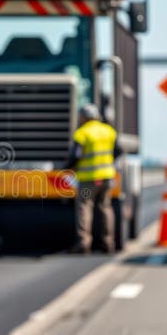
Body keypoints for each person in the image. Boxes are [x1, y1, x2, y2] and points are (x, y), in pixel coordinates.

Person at [66, 104, 120, 254]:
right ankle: (108, 243)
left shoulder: (82, 133)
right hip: (107, 178)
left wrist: (67, 168)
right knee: (105, 208)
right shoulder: (109, 131)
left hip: (88, 180)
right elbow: (118, 151)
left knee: (84, 207)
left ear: (83, 117)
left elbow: (75, 156)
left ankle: (84, 243)